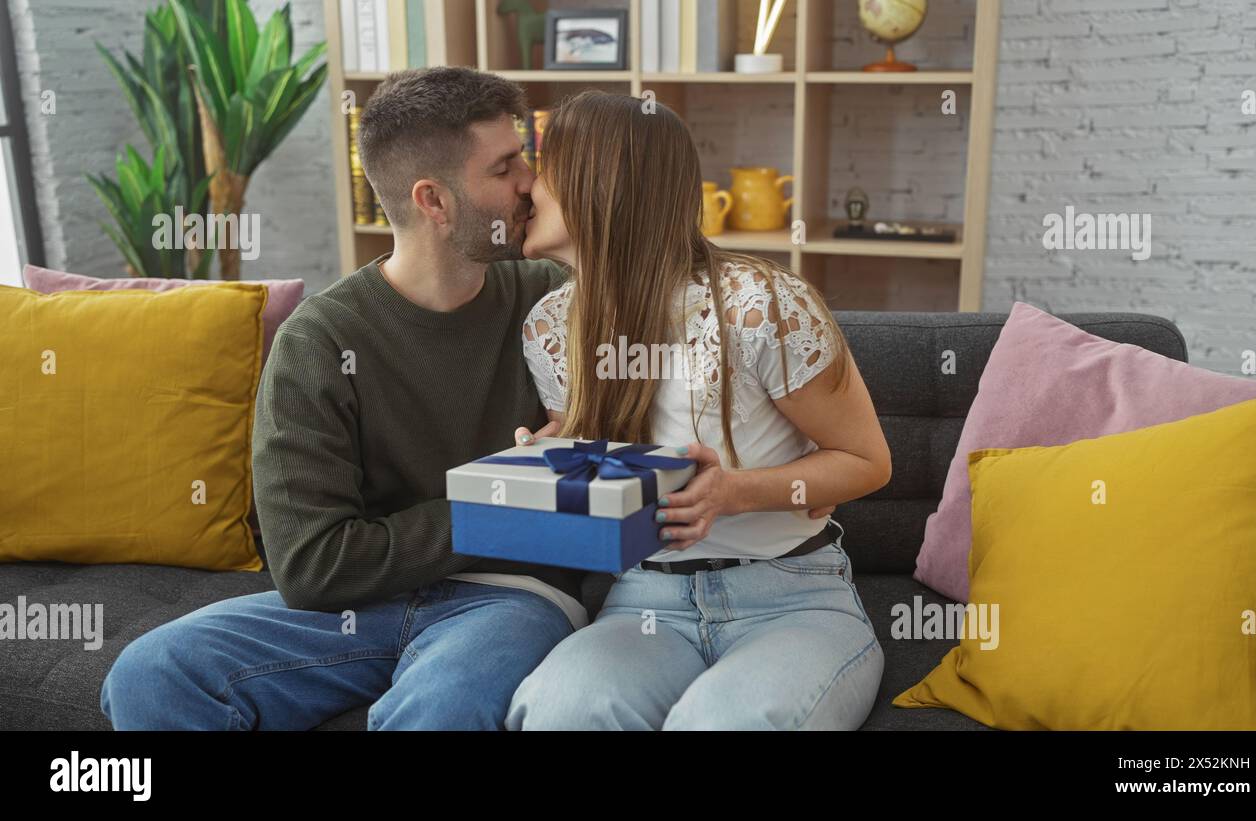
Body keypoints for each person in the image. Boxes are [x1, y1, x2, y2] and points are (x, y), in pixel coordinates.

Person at [100, 67, 586, 730]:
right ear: (435, 202)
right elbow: (310, 564)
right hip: (353, 610)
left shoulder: (552, 298)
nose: (529, 180)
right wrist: (504, 497)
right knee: (151, 673)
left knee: (441, 702)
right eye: (505, 166)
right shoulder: (321, 340)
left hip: (511, 597)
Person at [505, 90, 894, 731]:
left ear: (599, 182)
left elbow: (867, 462)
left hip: (792, 596)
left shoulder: (759, 303)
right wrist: (556, 466)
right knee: (557, 711)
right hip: (643, 599)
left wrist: (735, 492)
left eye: (544, 168)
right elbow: (621, 482)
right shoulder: (549, 327)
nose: (525, 189)